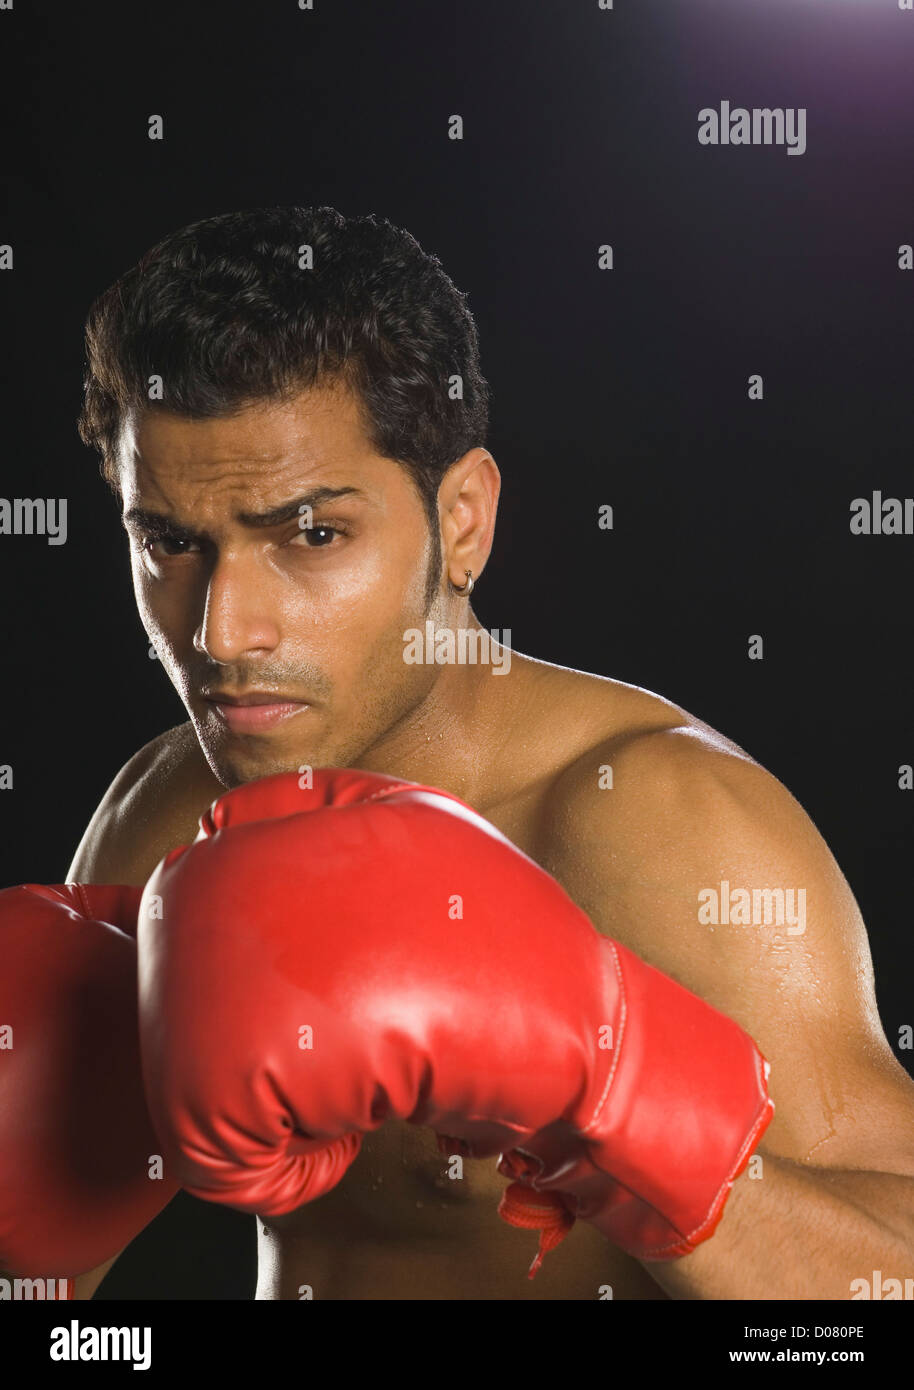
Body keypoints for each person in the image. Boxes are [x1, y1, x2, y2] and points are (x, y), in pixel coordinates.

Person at [22, 206, 914, 1299]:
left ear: (464, 521)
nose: (222, 631)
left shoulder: (664, 827)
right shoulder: (162, 810)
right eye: (169, 541)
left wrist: (623, 1096)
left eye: (310, 534)